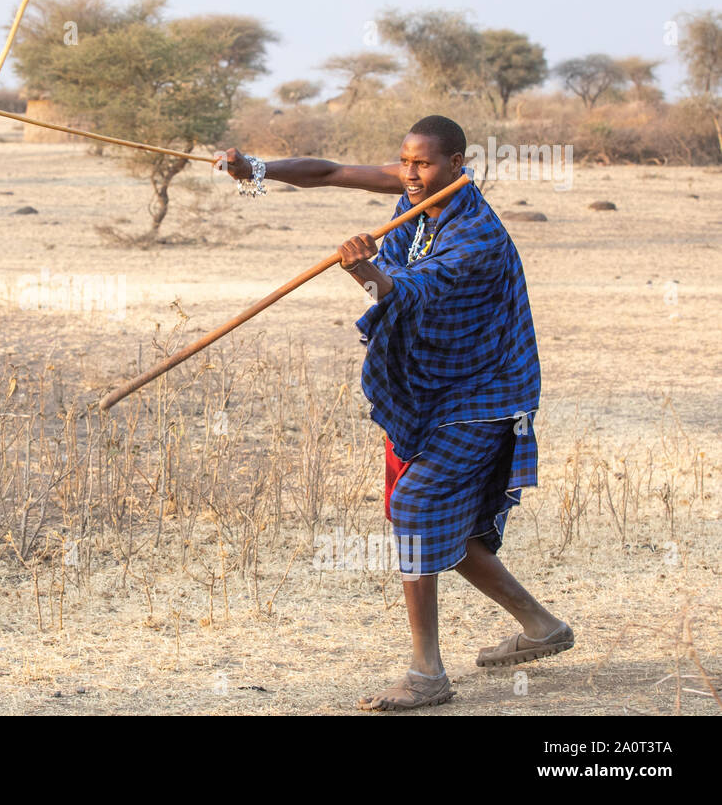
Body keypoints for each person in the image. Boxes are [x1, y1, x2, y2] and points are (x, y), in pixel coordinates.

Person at [220, 116, 572, 711]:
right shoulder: (416, 192)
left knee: (417, 507)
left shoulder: (477, 236)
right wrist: (255, 168)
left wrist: (367, 273)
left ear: (458, 163)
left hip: (485, 394)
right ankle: (541, 627)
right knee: (436, 521)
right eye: (404, 162)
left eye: (424, 164)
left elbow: (412, 291)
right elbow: (330, 172)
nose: (409, 174)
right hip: (436, 389)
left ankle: (426, 673)